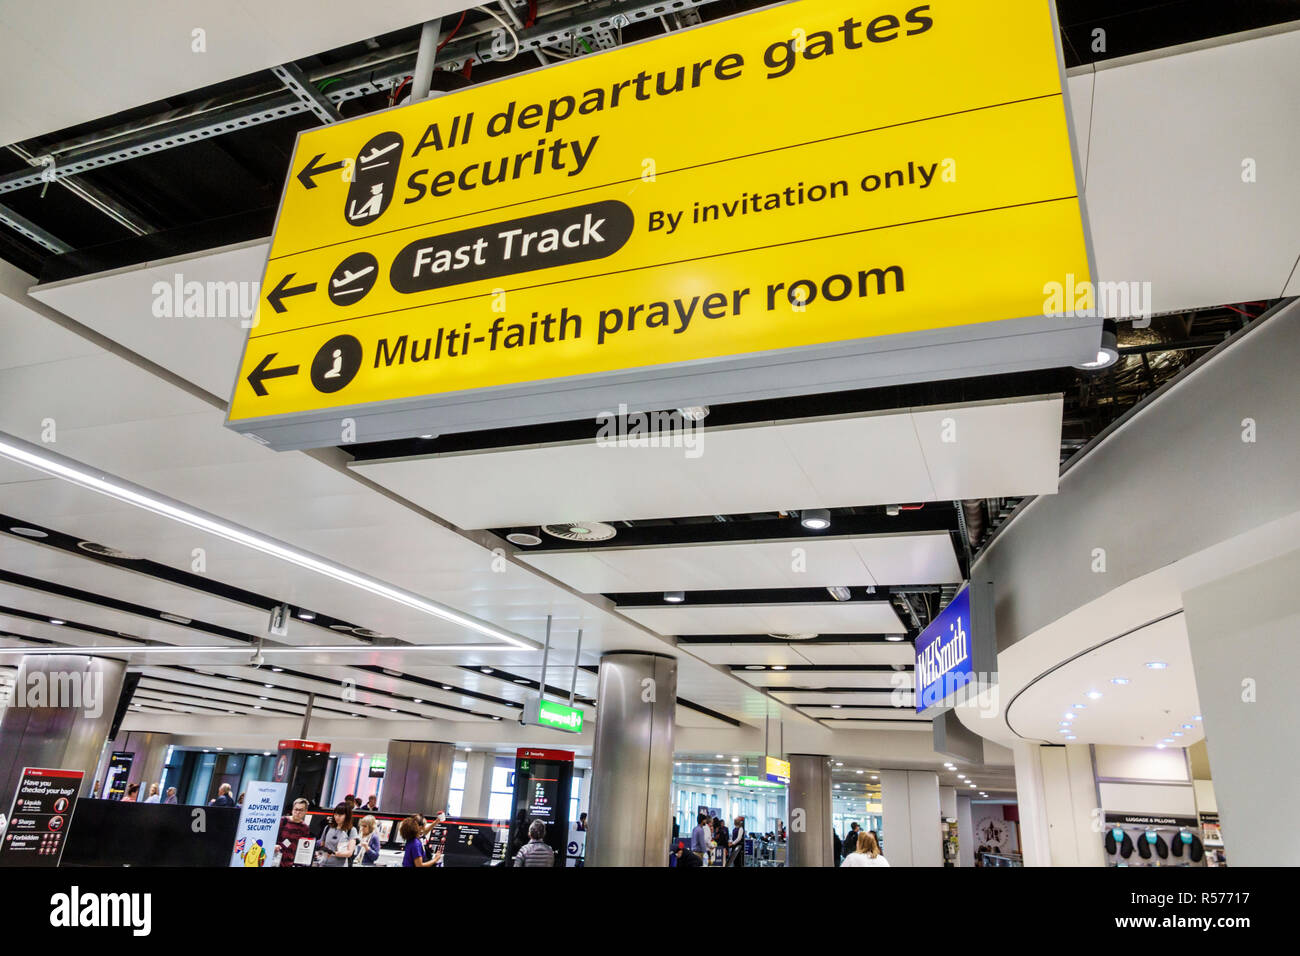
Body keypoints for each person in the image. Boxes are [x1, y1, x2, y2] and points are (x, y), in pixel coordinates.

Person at [276, 798, 314, 867]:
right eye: (296, 809)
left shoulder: (305, 828)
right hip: (276, 860)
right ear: (292, 809)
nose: (298, 812)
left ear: (305, 811)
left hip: (291, 863)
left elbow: (303, 847)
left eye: (301, 810)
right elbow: (271, 838)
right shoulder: (283, 821)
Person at [317, 802, 358, 867]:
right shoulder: (327, 828)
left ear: (347, 816)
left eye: (340, 815)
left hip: (340, 864)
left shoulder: (351, 830)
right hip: (323, 864)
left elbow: (350, 852)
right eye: (335, 814)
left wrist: (335, 853)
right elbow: (322, 844)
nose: (337, 817)